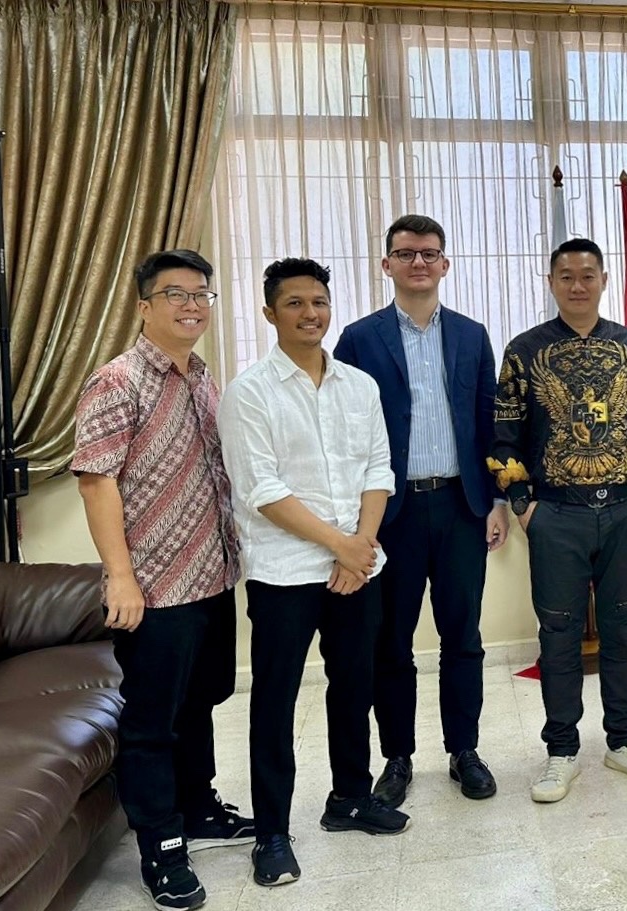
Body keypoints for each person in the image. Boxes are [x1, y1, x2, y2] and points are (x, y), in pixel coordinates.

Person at [73, 249, 253, 911]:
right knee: (150, 722)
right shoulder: (116, 381)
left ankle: (199, 806)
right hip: (153, 586)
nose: (191, 305)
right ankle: (160, 845)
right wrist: (120, 578)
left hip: (211, 574)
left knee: (200, 700)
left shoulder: (202, 377)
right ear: (143, 304)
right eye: (174, 293)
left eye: (201, 294)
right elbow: (96, 483)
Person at [218, 258, 406, 889]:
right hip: (285, 571)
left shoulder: (359, 385)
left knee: (354, 684)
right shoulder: (249, 392)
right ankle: (271, 829)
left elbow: (379, 470)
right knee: (274, 701)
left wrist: (362, 545)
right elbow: (261, 489)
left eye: (319, 302)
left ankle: (349, 798)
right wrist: (343, 547)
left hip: (357, 564)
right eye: (295, 303)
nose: (310, 314)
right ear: (270, 313)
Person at [487, 237, 627, 803]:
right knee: (559, 633)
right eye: (565, 275)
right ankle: (561, 750)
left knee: (620, 628)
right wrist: (523, 506)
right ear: (551, 281)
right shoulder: (524, 351)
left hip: (625, 509)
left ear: (603, 280)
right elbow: (504, 435)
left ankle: (624, 741)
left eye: (587, 275)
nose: (577, 285)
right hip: (556, 513)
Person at [334, 214, 506, 806]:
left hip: (461, 507)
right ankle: (399, 757)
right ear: (387, 265)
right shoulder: (358, 339)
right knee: (392, 642)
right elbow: (347, 432)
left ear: (444, 264)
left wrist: (499, 499)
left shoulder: (471, 334)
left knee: (464, 636)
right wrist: (358, 523)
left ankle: (465, 750)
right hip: (393, 515)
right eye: (405, 254)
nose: (418, 264)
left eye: (429, 254)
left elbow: (489, 424)